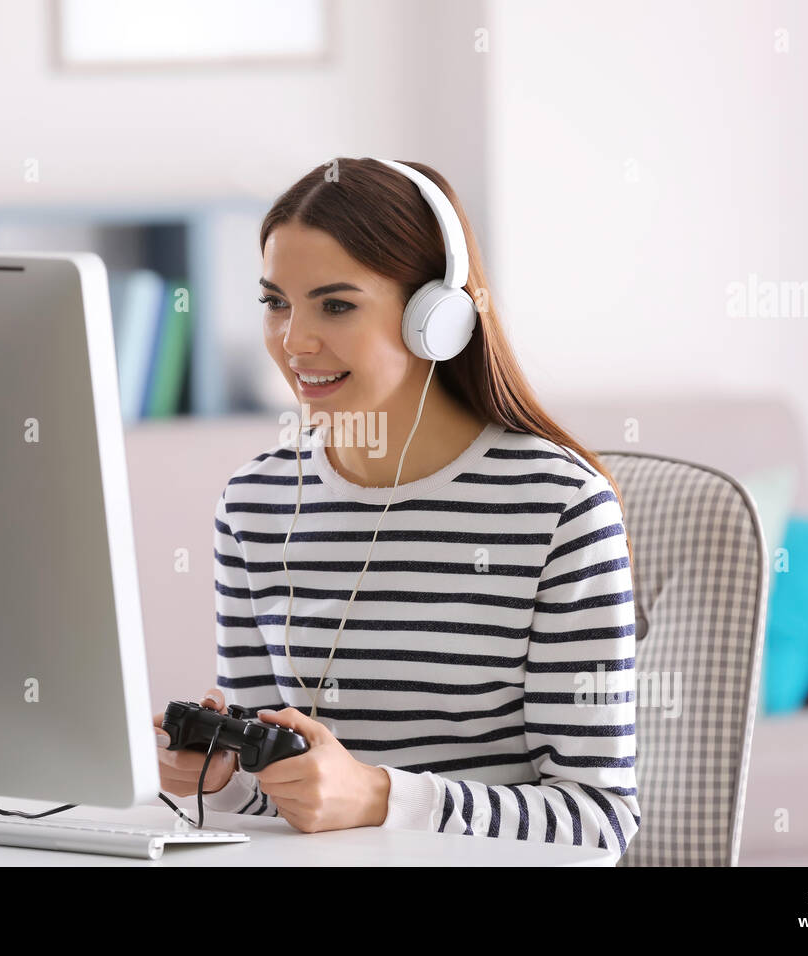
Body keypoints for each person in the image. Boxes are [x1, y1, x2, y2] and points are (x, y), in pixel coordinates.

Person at [153, 157, 639, 863]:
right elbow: (282, 795)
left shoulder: (559, 509)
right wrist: (224, 782)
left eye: (336, 304)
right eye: (276, 302)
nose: (294, 342)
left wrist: (384, 798)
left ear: (434, 319)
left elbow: (598, 819)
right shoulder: (254, 504)